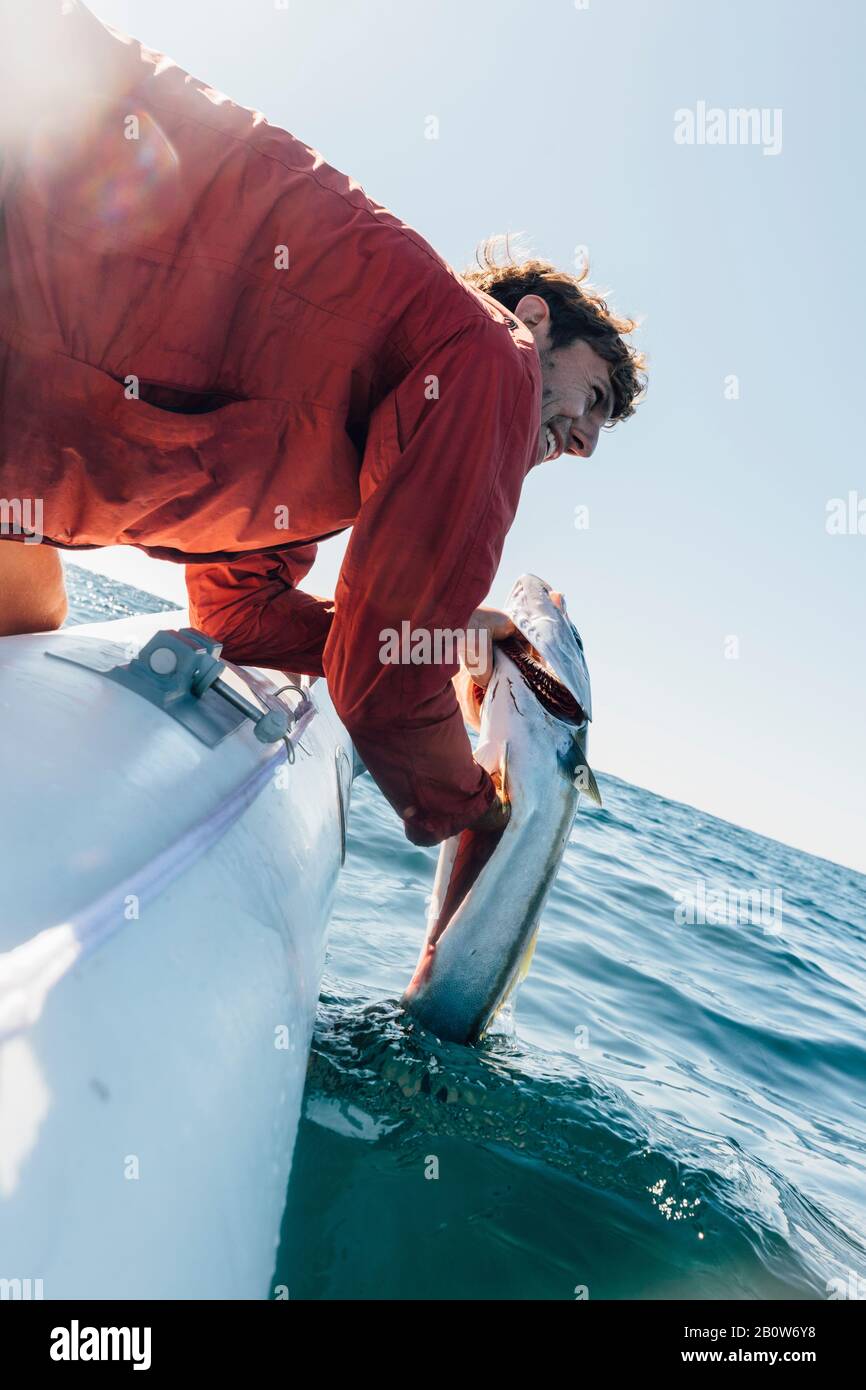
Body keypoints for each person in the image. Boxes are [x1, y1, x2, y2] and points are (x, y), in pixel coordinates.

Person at [0, 0, 645, 845]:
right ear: (534, 320)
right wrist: (476, 813)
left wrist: (441, 642)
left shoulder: (330, 464)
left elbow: (239, 618)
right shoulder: (493, 354)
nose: (585, 442)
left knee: (29, 602)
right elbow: (384, 684)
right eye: (593, 399)